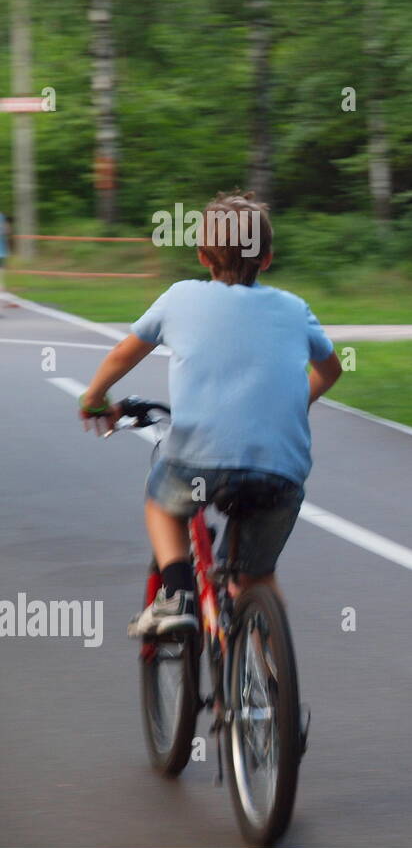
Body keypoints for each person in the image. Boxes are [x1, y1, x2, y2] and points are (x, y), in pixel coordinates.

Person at [79, 191, 343, 636]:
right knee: (255, 576)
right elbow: (330, 370)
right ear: (269, 259)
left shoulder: (181, 297)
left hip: (197, 461)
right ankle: (270, 686)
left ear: (202, 256)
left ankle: (177, 596)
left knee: (162, 503)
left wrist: (94, 398)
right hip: (281, 472)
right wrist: (292, 406)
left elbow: (126, 354)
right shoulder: (295, 309)